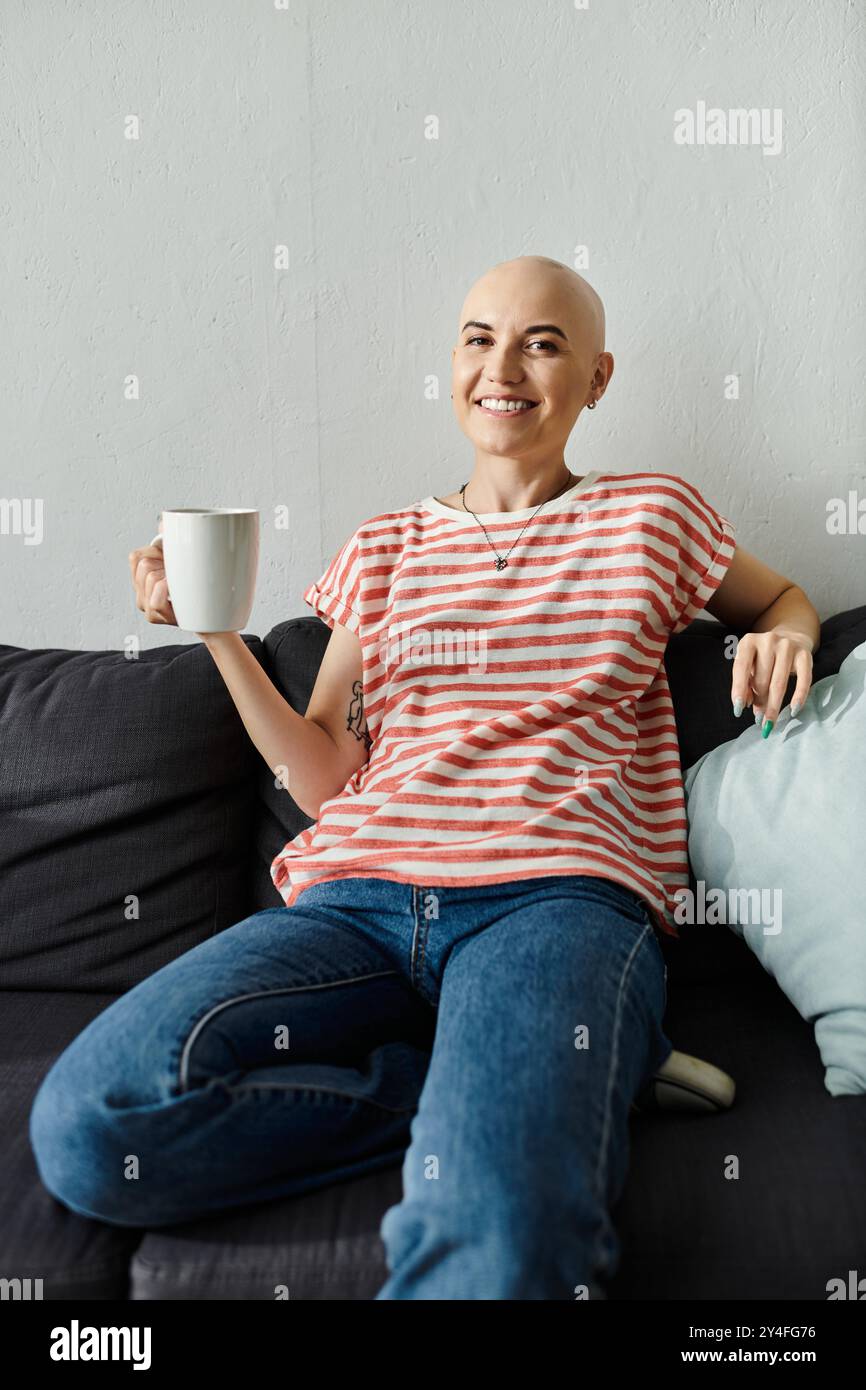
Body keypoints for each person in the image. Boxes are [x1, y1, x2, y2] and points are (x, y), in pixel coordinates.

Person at [29, 255, 818, 1299]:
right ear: (453, 362)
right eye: (478, 337)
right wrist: (215, 632)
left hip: (555, 898)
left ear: (595, 376)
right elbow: (322, 778)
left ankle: (579, 1062)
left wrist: (789, 633)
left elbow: (780, 599)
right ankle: (563, 1077)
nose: (504, 365)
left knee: (497, 1227)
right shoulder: (385, 545)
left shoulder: (651, 516)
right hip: (355, 899)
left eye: (542, 342)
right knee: (91, 1128)